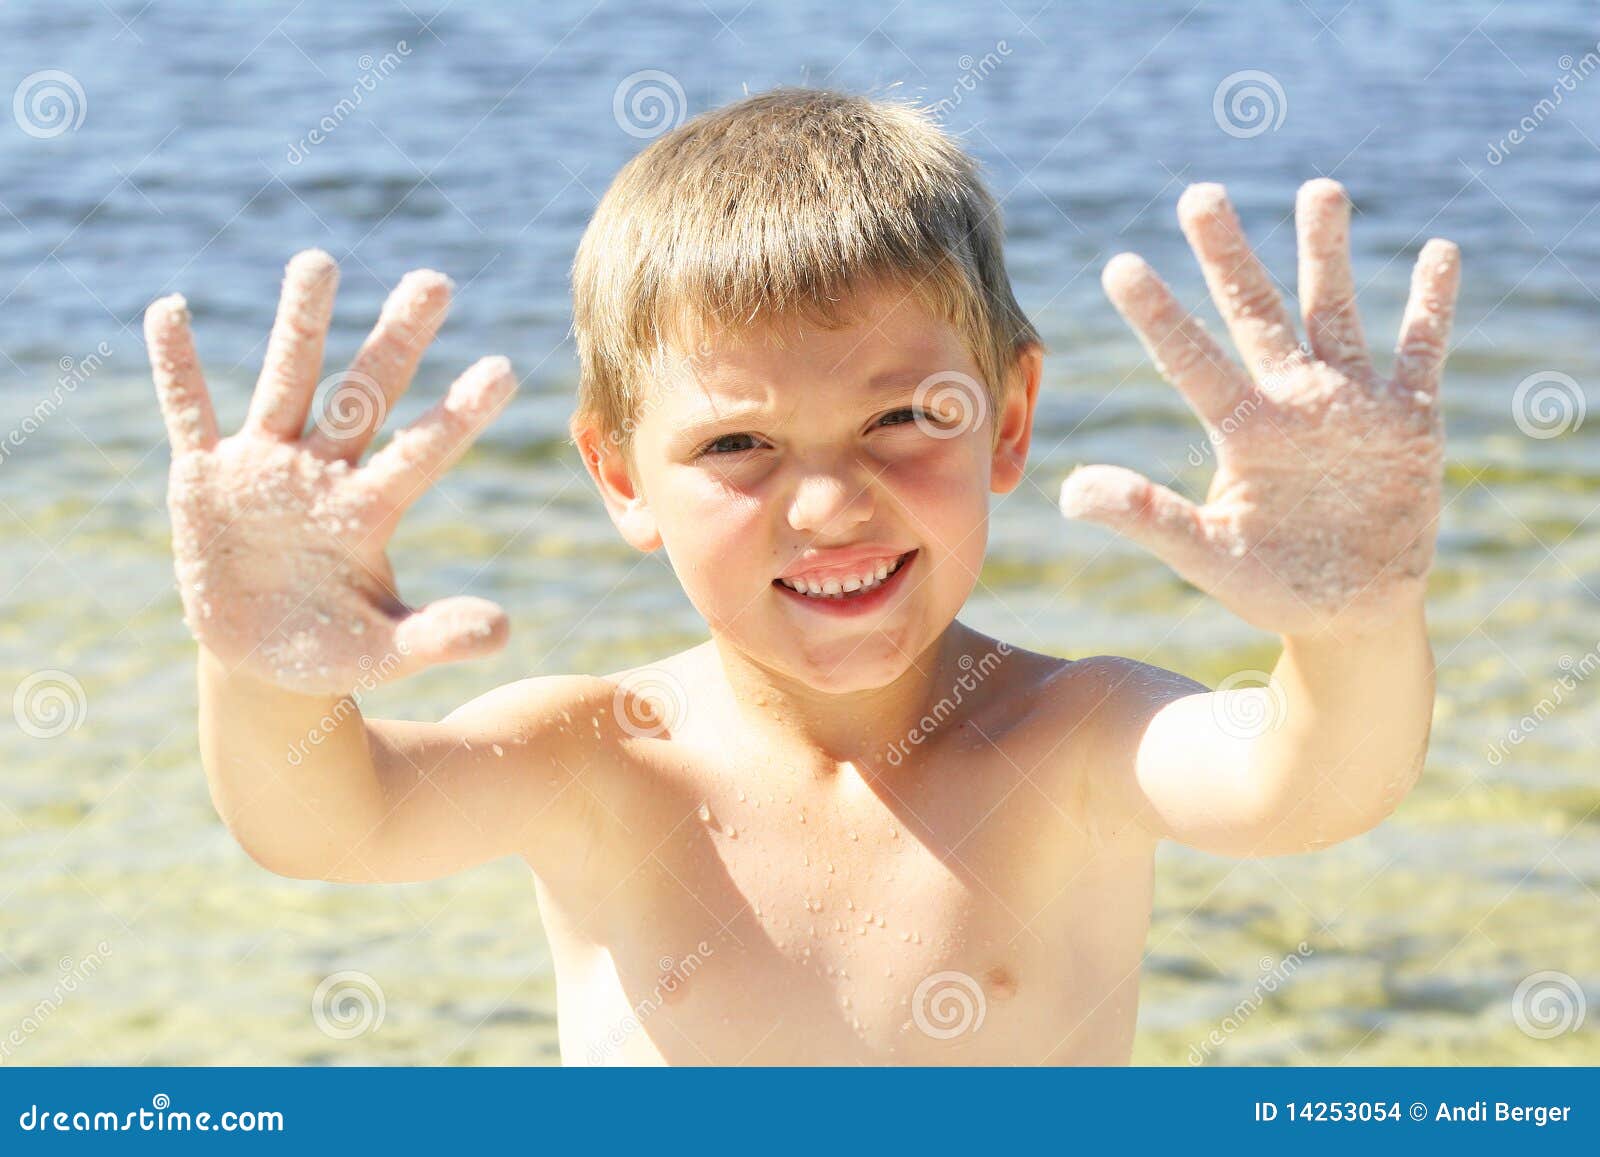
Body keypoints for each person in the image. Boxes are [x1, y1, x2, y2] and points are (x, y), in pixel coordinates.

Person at [143, 86, 1459, 1064]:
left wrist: (1354, 621)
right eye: (738, 445)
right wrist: (263, 661)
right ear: (618, 475)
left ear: (1008, 420)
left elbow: (1316, 781)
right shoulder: (600, 757)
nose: (830, 504)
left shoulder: (1074, 741)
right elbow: (325, 821)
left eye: (903, 419)